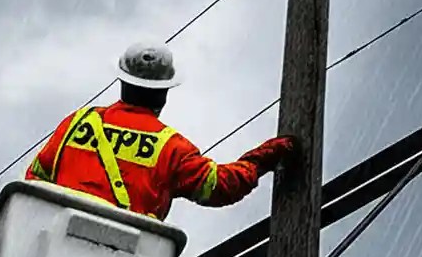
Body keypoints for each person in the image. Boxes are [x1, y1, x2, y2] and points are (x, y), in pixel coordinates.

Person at [25, 41, 296, 221]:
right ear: (164, 93)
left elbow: (35, 180)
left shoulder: (78, 122)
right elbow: (219, 186)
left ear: (122, 80)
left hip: (51, 253)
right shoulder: (171, 148)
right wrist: (259, 160)